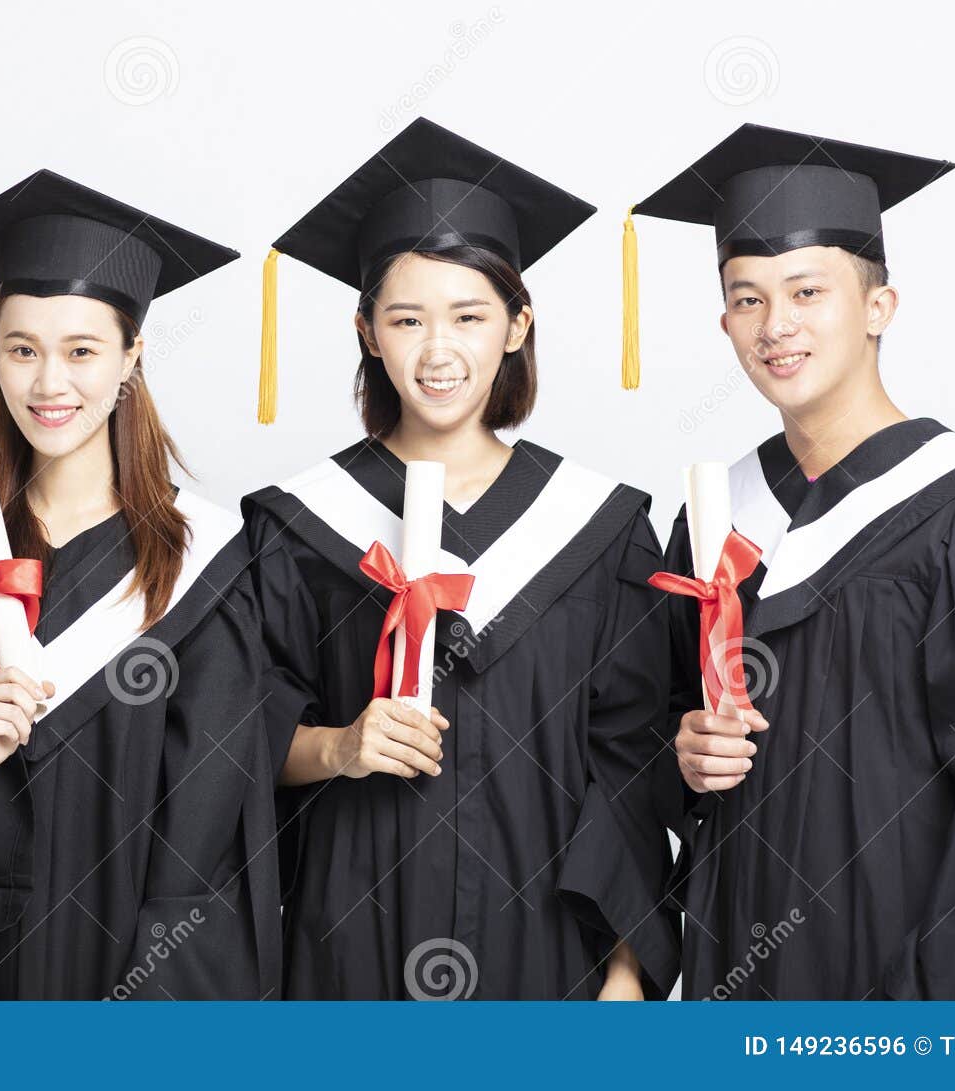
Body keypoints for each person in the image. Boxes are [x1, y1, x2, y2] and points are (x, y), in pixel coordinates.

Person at [630, 123, 955, 999]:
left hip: (904, 999)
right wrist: (683, 758)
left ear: (879, 307)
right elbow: (649, 754)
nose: (777, 327)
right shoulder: (715, 520)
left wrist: (952, 1034)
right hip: (735, 981)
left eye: (808, 290)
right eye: (748, 298)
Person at [245, 118, 679, 999]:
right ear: (368, 331)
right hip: (348, 950)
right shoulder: (297, 529)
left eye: (470, 316)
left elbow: (635, 762)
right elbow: (235, 743)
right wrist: (339, 744)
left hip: (549, 957)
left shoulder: (600, 530)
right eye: (406, 318)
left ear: (517, 326)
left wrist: (627, 976)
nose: (438, 351)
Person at [0, 171, 282, 999]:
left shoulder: (208, 565)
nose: (49, 384)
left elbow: (213, 824)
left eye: (82, 351)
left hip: (130, 980)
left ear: (131, 358)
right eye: (22, 348)